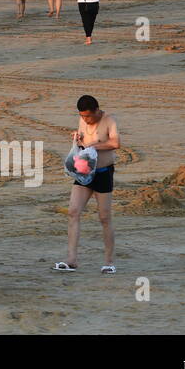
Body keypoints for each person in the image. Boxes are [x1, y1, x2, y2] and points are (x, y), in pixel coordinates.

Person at [54, 95, 119, 274]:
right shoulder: (82, 119)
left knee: (104, 218)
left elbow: (115, 143)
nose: (85, 119)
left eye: (88, 116)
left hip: (103, 173)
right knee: (73, 212)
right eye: (82, 116)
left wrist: (94, 146)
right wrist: (79, 140)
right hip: (84, 171)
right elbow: (84, 141)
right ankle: (71, 260)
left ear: (97, 110)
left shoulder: (109, 120)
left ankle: (109, 262)